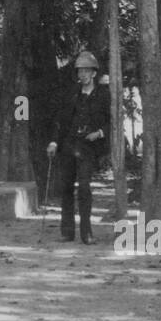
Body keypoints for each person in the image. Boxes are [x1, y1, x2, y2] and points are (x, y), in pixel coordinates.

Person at [46, 50, 111, 243]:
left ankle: (86, 232)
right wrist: (54, 141)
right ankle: (67, 232)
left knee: (84, 187)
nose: (82, 74)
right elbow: (60, 120)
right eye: (79, 71)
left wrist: (99, 133)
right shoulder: (71, 94)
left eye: (86, 71)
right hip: (68, 145)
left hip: (88, 147)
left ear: (94, 73)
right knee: (66, 187)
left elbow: (111, 121)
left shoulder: (103, 95)